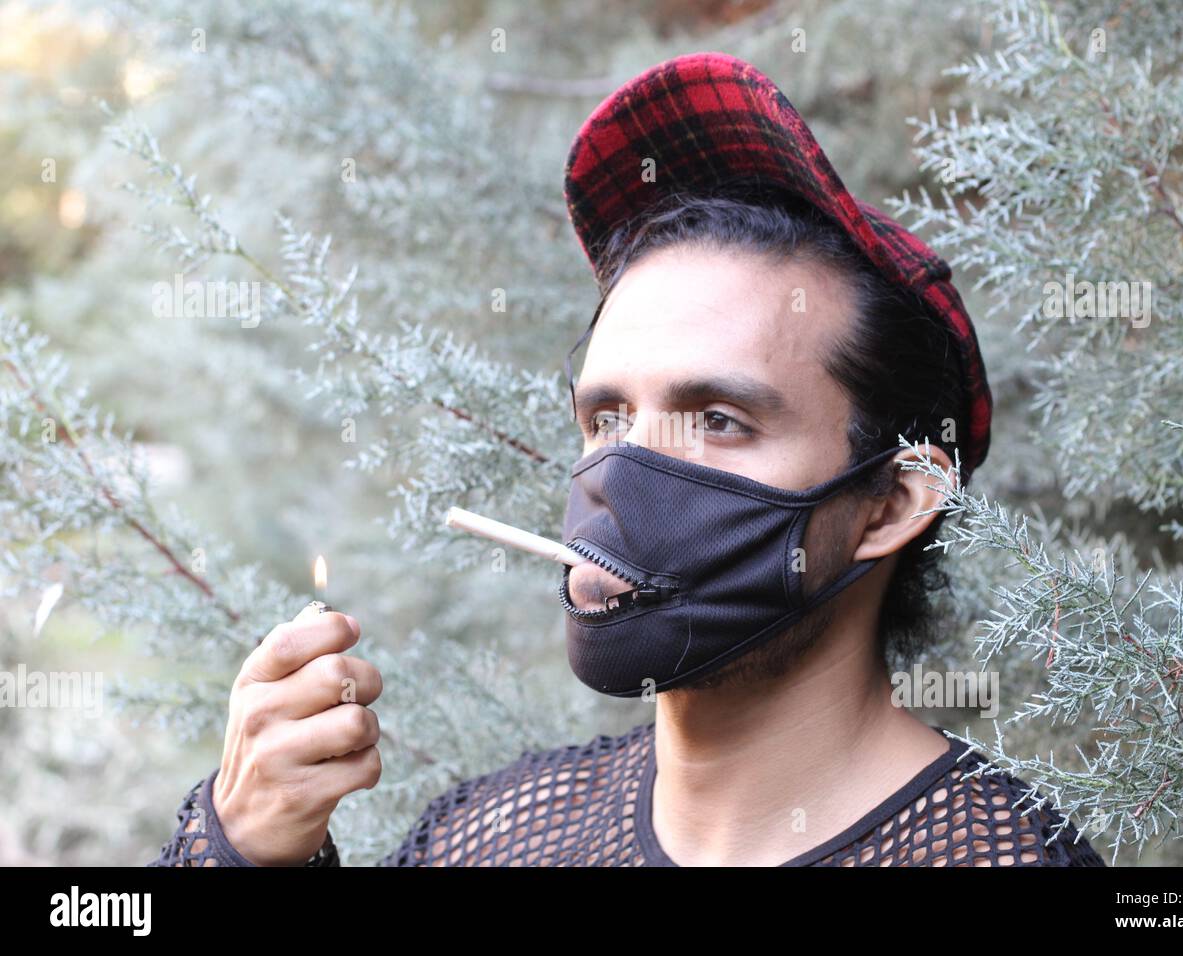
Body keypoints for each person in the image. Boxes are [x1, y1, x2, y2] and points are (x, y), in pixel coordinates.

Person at [150, 52, 1104, 867]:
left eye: (718, 419)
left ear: (895, 502)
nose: (626, 479)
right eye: (607, 420)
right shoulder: (493, 838)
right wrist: (246, 845)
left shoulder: (1002, 855)